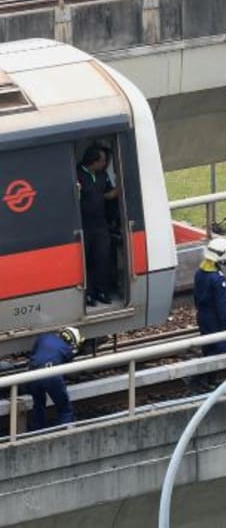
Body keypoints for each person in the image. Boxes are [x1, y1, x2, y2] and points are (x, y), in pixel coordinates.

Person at [77, 144, 119, 306]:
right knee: (86, 261)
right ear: (93, 162)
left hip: (100, 225)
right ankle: (89, 294)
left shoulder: (102, 176)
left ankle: (102, 291)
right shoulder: (77, 174)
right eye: (103, 161)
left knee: (103, 258)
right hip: (83, 227)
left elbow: (106, 195)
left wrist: (117, 192)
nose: (105, 164)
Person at [27, 327, 82, 431]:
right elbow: (69, 371)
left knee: (38, 404)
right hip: (51, 375)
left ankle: (37, 432)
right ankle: (64, 432)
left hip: (33, 373)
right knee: (65, 409)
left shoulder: (44, 337)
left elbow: (33, 354)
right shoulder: (67, 349)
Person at [194, 237, 226, 358]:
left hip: (202, 316)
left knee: (207, 350)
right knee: (220, 353)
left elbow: (196, 298)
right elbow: (221, 306)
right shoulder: (217, 279)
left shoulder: (199, 272)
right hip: (216, 321)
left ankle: (208, 376)